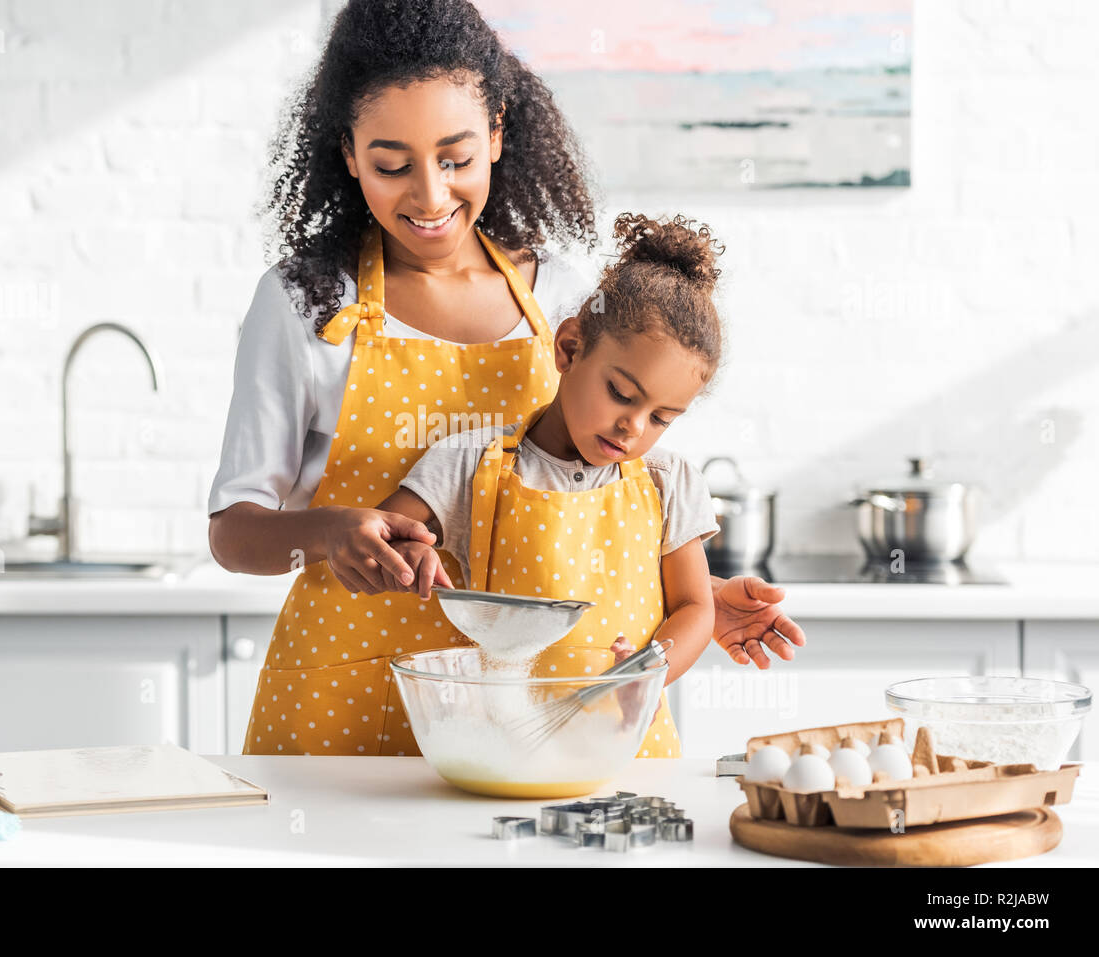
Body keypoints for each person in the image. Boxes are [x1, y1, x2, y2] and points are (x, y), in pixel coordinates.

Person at [207, 0, 804, 756]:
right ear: (350, 154)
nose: (429, 196)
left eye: (455, 158)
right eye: (392, 165)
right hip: (345, 703)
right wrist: (329, 533)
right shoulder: (306, 304)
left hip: (529, 714)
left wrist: (692, 606)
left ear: (495, 135)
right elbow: (234, 536)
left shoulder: (557, 294)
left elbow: (598, 503)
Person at [376, 212, 724, 756]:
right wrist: (403, 555)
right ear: (568, 349)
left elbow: (695, 607)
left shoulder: (669, 481)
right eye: (621, 393)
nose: (633, 427)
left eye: (662, 418)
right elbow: (381, 536)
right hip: (507, 743)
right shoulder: (471, 463)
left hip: (628, 744)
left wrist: (644, 673)